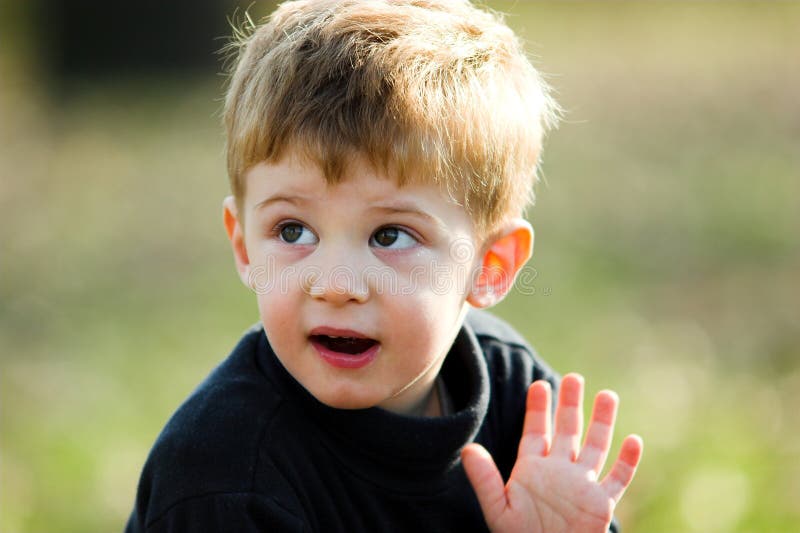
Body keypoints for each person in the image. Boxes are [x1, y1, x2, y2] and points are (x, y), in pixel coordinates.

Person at [125, 1, 643, 531]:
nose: (336, 285)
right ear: (244, 248)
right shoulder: (225, 477)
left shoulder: (518, 401)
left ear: (490, 265)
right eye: (293, 231)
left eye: (390, 236)